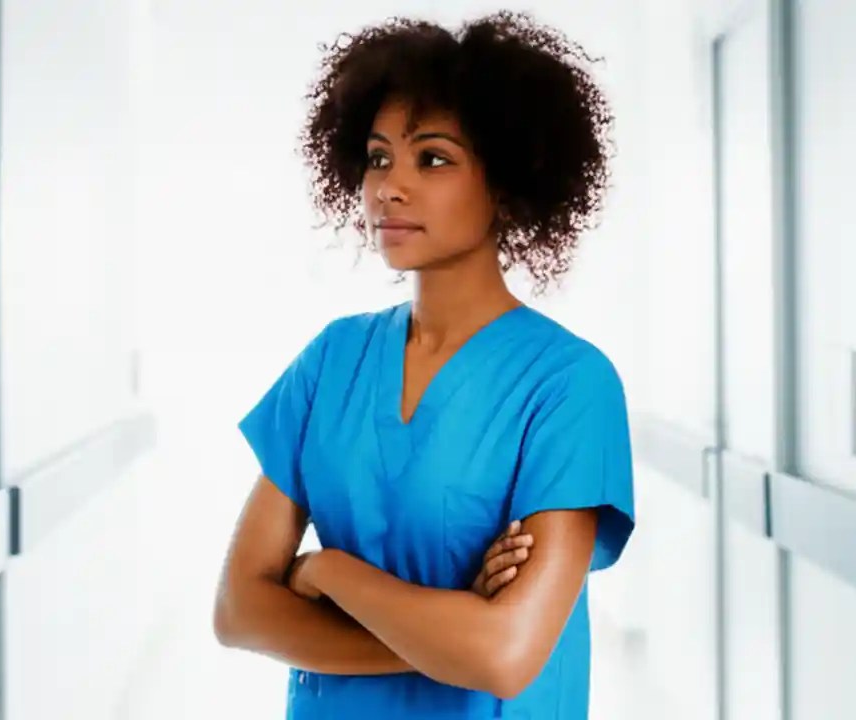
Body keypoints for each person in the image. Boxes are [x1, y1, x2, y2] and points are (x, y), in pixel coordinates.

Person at [213, 11, 635, 719]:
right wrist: (449, 629)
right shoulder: (332, 361)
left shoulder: (569, 386)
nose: (390, 188)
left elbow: (505, 656)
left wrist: (328, 570)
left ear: (505, 181)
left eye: (432, 159)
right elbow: (237, 609)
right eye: (379, 157)